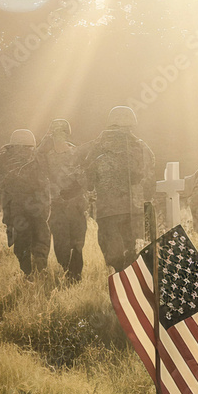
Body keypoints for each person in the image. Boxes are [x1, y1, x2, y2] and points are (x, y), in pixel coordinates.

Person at [83, 107, 155, 272]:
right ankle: (133, 285)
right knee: (133, 250)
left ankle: (119, 279)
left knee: (113, 253)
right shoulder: (140, 146)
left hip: (107, 210)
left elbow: (88, 177)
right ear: (131, 123)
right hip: (134, 209)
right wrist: (147, 200)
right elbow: (149, 177)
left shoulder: (98, 146)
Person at [0, 129, 50, 278]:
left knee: (21, 240)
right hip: (38, 205)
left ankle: (27, 273)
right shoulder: (39, 157)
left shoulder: (0, 160)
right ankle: (40, 268)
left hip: (14, 207)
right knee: (40, 236)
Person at [34, 119, 87, 283]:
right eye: (55, 133)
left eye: (61, 132)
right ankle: (67, 272)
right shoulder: (46, 156)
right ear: (51, 135)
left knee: (77, 243)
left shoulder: (76, 153)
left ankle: (76, 275)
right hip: (57, 207)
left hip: (76, 205)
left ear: (67, 134)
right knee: (61, 243)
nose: (59, 136)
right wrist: (45, 141)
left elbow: (85, 177)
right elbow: (35, 157)